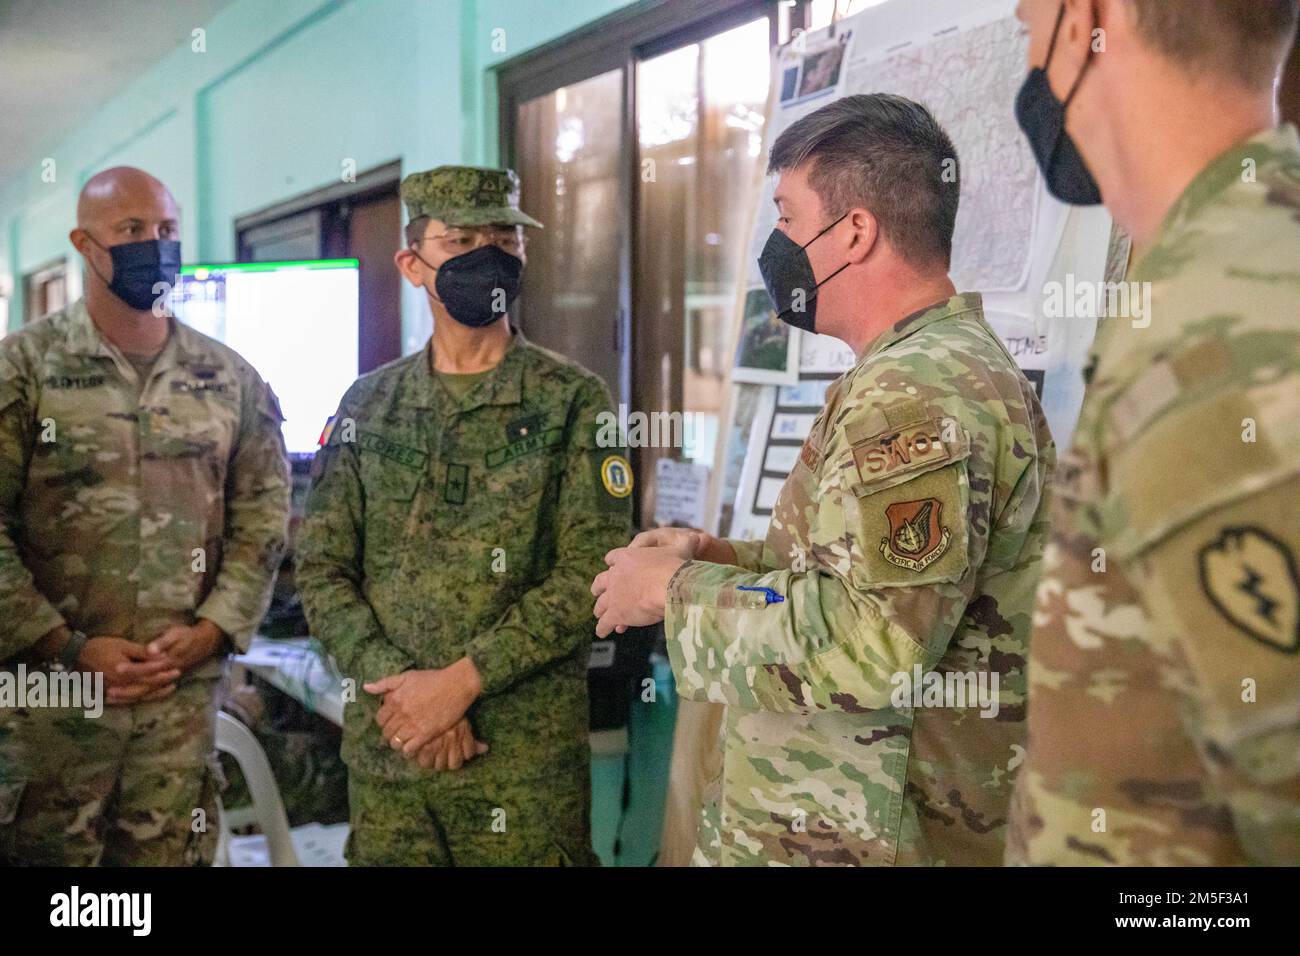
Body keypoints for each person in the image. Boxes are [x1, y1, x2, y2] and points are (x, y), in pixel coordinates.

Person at [592, 95, 1055, 866]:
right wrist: (718, 556)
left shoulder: (917, 391)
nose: (773, 244)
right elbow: (857, 579)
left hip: (869, 837)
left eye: (785, 216)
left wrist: (672, 592)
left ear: (855, 232)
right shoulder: (916, 369)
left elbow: (872, 643)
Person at [1007, 0, 1300, 865]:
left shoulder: (1213, 336)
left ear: (1085, 21)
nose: (1026, 48)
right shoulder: (1238, 263)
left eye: (1027, 19)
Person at [296, 165, 632, 866]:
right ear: (413, 265)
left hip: (524, 764)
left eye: (504, 236)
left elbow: (592, 573)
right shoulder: (367, 405)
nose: (489, 256)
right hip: (395, 756)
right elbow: (322, 566)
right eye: (461, 239)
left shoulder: (574, 401)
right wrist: (404, 695)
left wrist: (460, 684)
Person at [0, 166, 291, 866]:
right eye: (132, 230)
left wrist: (214, 628)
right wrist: (64, 645)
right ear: (85, 243)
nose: (154, 246)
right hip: (52, 705)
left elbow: (264, 515)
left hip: (177, 704)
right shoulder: (24, 371)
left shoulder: (231, 379)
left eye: (165, 231)